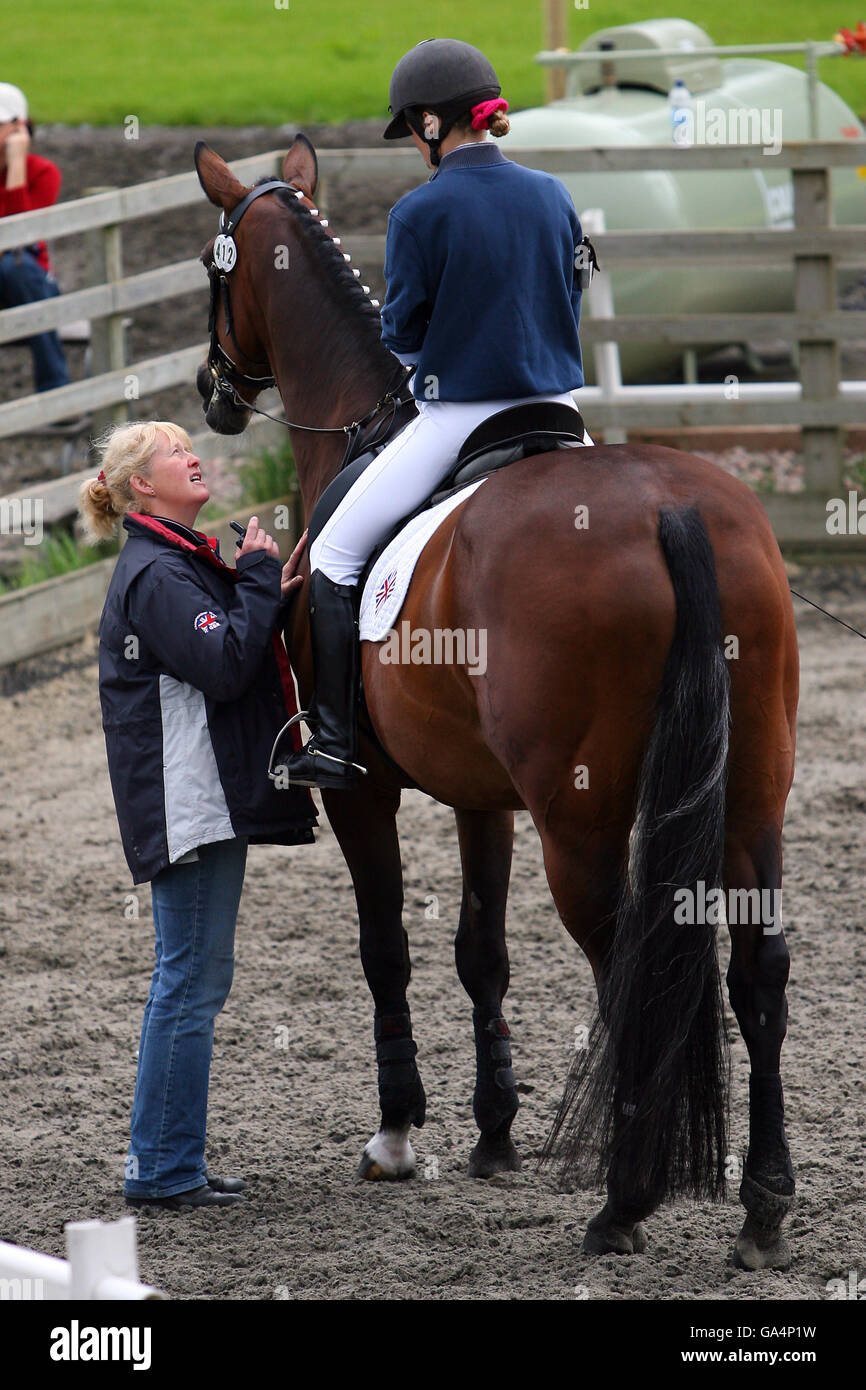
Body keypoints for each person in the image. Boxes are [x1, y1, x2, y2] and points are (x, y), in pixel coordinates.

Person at [281, 38, 590, 791]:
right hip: (562, 411)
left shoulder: (420, 210)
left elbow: (402, 331)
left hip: (461, 417)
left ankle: (332, 741)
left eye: (413, 133)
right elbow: (570, 297)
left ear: (429, 125)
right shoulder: (552, 192)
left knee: (336, 553)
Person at [79, 421, 317, 1208]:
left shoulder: (172, 561)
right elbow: (221, 665)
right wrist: (255, 577)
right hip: (187, 803)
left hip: (200, 798)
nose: (193, 456)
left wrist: (260, 592)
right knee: (188, 980)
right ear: (142, 486)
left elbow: (231, 648)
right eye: (175, 452)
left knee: (194, 978)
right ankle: (161, 1168)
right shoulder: (155, 573)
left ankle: (168, 1160)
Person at [0, 82, 72, 395]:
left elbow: (22, 235)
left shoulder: (42, 172)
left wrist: (16, 165)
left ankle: (56, 390)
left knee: (14, 266)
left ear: (20, 128)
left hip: (30, 284)